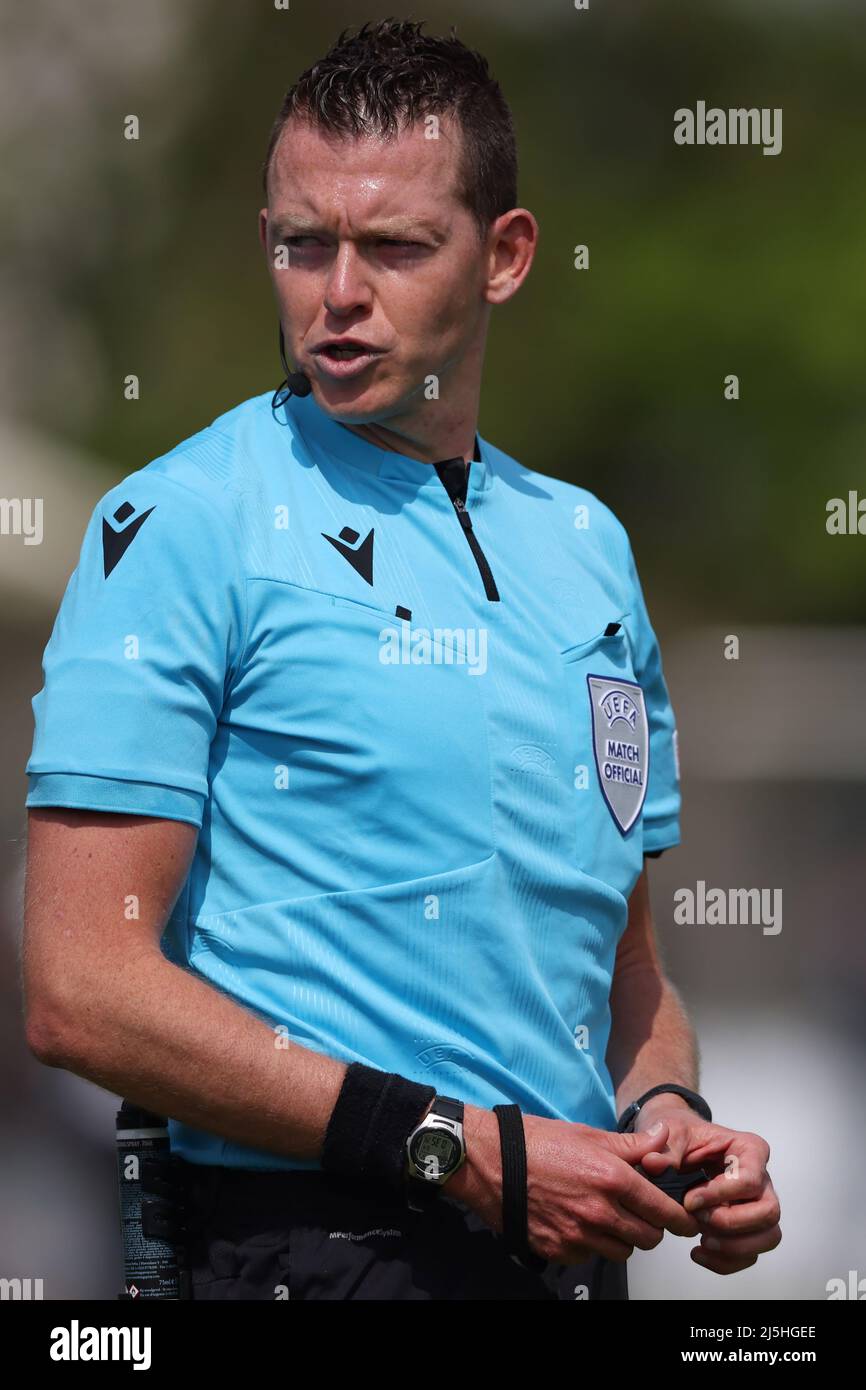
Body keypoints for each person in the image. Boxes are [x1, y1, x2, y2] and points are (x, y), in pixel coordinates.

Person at [22, 19, 781, 1300]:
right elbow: (78, 986)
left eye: (394, 247)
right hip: (305, 1253)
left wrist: (670, 1116)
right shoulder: (183, 521)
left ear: (505, 255)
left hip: (567, 1261)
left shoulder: (585, 545)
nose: (337, 293)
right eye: (300, 242)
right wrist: (448, 1146)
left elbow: (627, 969)